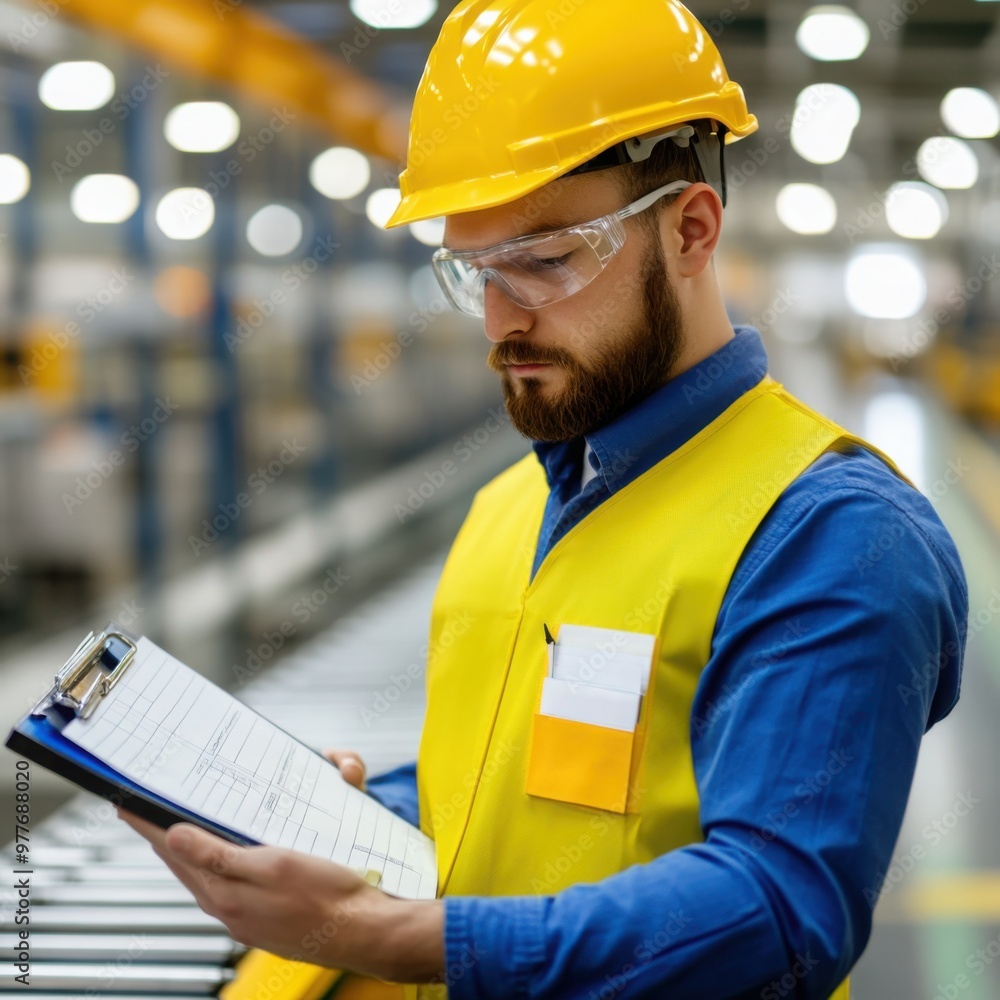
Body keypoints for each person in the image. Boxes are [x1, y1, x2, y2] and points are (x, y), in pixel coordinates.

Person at [119, 2, 968, 998]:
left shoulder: (832, 534)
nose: (500, 319)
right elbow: (525, 804)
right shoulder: (506, 509)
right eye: (472, 268)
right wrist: (346, 816)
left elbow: (778, 911)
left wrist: (400, 939)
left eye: (543, 261)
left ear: (691, 231)